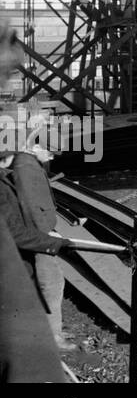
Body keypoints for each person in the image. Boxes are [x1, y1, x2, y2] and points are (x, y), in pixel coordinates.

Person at [0, 125, 69, 350]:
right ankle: (53, 337)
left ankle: (50, 331)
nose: (51, 156)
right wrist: (45, 236)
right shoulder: (25, 168)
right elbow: (29, 205)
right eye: (50, 151)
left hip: (40, 235)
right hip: (39, 238)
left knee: (50, 283)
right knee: (51, 283)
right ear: (36, 146)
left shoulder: (29, 165)